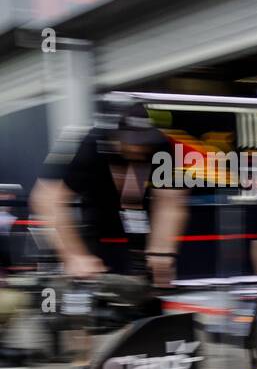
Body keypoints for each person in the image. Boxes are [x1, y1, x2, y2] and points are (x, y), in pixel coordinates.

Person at [31, 101, 186, 287]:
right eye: (131, 142)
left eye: (144, 143)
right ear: (115, 135)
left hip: (138, 232)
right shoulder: (88, 144)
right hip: (93, 230)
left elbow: (170, 202)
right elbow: (45, 198)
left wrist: (162, 252)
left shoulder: (162, 147)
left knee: (146, 289)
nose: (138, 149)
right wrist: (74, 255)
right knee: (87, 286)